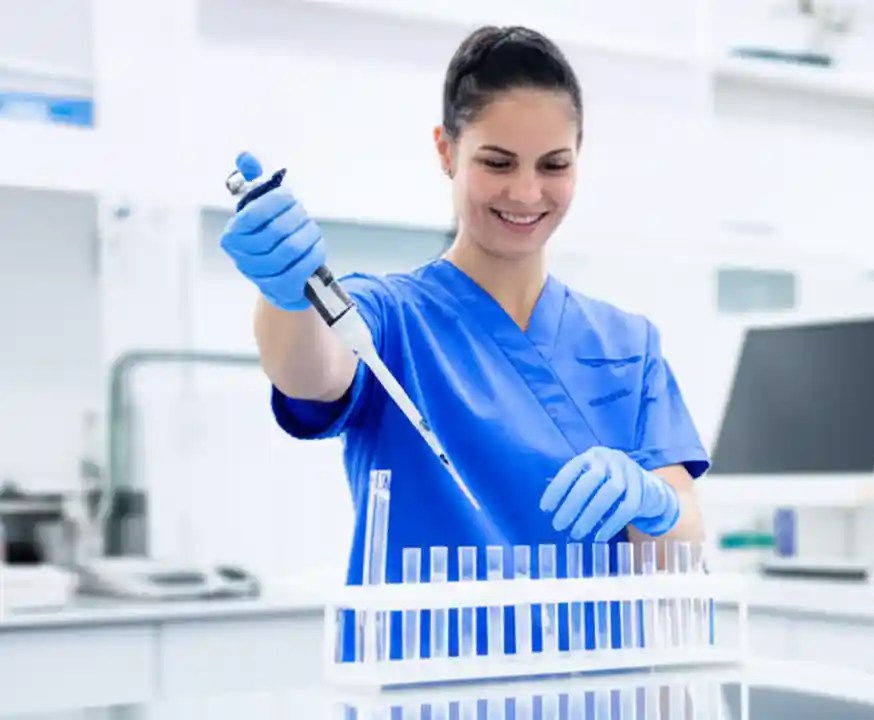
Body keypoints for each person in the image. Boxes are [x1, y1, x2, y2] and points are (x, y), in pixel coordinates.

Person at [217, 25, 710, 649]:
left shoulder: (628, 345)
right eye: (497, 162)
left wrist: (656, 505)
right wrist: (287, 294)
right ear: (446, 151)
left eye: (553, 165)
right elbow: (312, 369)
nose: (527, 193)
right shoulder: (396, 318)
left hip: (596, 696)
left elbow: (684, 542)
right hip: (425, 695)